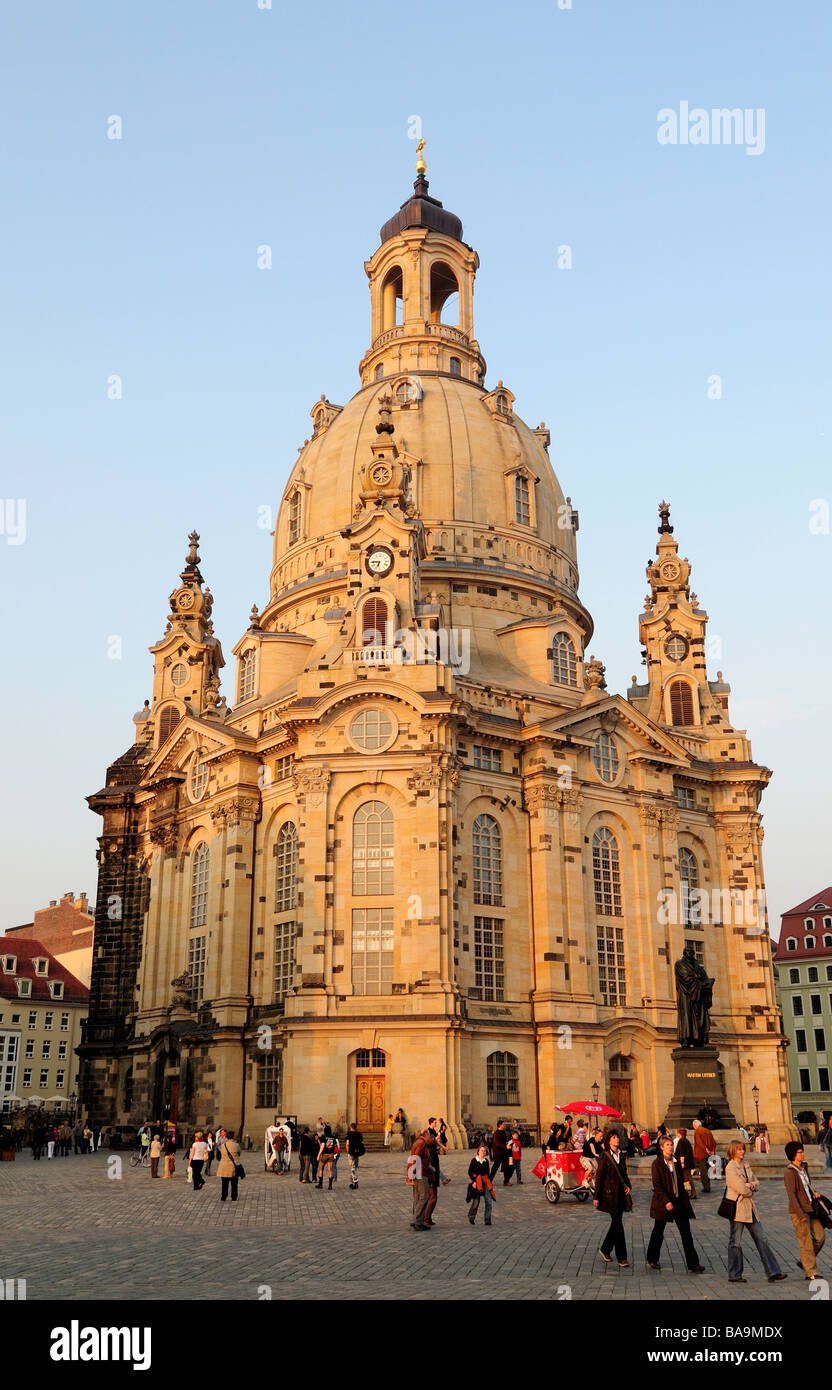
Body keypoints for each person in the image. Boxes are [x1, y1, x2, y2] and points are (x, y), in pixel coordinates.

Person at [724, 1139, 785, 1283]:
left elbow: (756, 1183)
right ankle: (734, 1274)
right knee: (736, 1242)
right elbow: (741, 1188)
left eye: (743, 1149)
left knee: (762, 1238)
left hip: (750, 1208)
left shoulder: (746, 1165)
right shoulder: (730, 1167)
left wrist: (751, 1185)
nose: (742, 1152)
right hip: (738, 1209)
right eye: (739, 1149)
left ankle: (773, 1271)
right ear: (733, 1150)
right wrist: (749, 1188)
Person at [645, 1136, 705, 1274]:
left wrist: (686, 1189)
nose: (670, 1147)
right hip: (664, 1202)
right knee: (658, 1231)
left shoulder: (676, 1162)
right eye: (667, 1145)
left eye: (671, 1145)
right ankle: (652, 1258)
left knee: (686, 1233)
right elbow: (657, 1185)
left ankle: (693, 1264)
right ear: (661, 1147)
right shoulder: (657, 1164)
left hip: (679, 1202)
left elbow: (680, 1179)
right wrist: (666, 1201)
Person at [784, 1140, 826, 1280]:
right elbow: (792, 1195)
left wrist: (815, 1194)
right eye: (799, 1152)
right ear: (793, 1154)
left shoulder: (803, 1169)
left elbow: (806, 1188)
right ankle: (811, 1272)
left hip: (811, 1208)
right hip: (799, 1211)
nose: (802, 1154)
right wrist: (800, 1213)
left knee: (820, 1237)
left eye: (802, 1151)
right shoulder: (790, 1172)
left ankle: (805, 1261)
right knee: (805, 1241)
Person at [593, 1130, 631, 1267]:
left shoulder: (621, 1154)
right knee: (618, 1224)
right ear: (608, 1141)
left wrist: (628, 1186)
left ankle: (605, 1249)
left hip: (620, 1194)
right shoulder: (605, 1156)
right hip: (609, 1195)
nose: (617, 1140)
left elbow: (624, 1174)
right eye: (614, 1138)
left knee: (616, 1223)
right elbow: (599, 1178)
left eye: (617, 1137)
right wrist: (596, 1197)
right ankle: (622, 1257)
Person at [409, 1128, 435, 1231]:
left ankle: (416, 1220)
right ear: (425, 1135)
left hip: (416, 1172)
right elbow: (416, 1157)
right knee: (424, 1197)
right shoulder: (422, 1143)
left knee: (418, 1197)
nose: (429, 1137)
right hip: (420, 1173)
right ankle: (417, 1221)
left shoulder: (417, 1142)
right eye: (429, 1135)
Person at [467, 1144, 496, 1225]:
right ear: (478, 1151)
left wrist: (488, 1183)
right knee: (476, 1202)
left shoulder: (486, 1161)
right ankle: (471, 1216)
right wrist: (474, 1181)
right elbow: (469, 1172)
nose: (483, 1152)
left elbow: (487, 1173)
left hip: (485, 1182)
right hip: (476, 1182)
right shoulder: (474, 1160)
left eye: (484, 1151)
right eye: (481, 1150)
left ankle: (487, 1219)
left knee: (489, 1201)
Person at [218, 1128, 242, 1203]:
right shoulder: (236, 1145)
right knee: (234, 1183)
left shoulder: (223, 1145)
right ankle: (234, 1197)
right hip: (233, 1166)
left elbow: (222, 1153)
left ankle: (223, 1196)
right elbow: (239, 1153)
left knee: (224, 1183)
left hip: (224, 1166)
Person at [692, 1118, 716, 1192]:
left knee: (703, 1171)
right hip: (708, 1155)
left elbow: (699, 1143)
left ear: (695, 1125)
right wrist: (712, 1151)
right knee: (706, 1170)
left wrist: (706, 1150)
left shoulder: (697, 1131)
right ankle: (708, 1186)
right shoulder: (707, 1131)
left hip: (701, 1154)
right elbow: (713, 1142)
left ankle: (706, 1187)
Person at [674, 1127, 697, 1199]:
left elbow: (682, 1153)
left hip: (685, 1163)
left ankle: (691, 1193)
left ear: (679, 1133)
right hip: (688, 1163)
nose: (676, 1134)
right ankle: (689, 1192)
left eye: (677, 1132)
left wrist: (682, 1163)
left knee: (687, 1179)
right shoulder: (686, 1140)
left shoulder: (681, 1141)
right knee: (687, 1178)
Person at [316, 1125, 339, 1189]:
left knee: (321, 1169)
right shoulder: (333, 1137)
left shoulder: (324, 1137)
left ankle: (320, 1184)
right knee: (330, 1170)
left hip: (324, 1154)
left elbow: (322, 1146)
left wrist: (318, 1155)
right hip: (331, 1154)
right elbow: (335, 1145)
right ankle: (330, 1186)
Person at [345, 1121, 364, 1189]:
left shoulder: (349, 1134)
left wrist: (347, 1152)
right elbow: (362, 1142)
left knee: (352, 1168)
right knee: (354, 1168)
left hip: (351, 1152)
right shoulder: (359, 1134)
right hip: (357, 1152)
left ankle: (355, 1182)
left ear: (350, 1127)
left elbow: (347, 1144)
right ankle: (352, 1182)